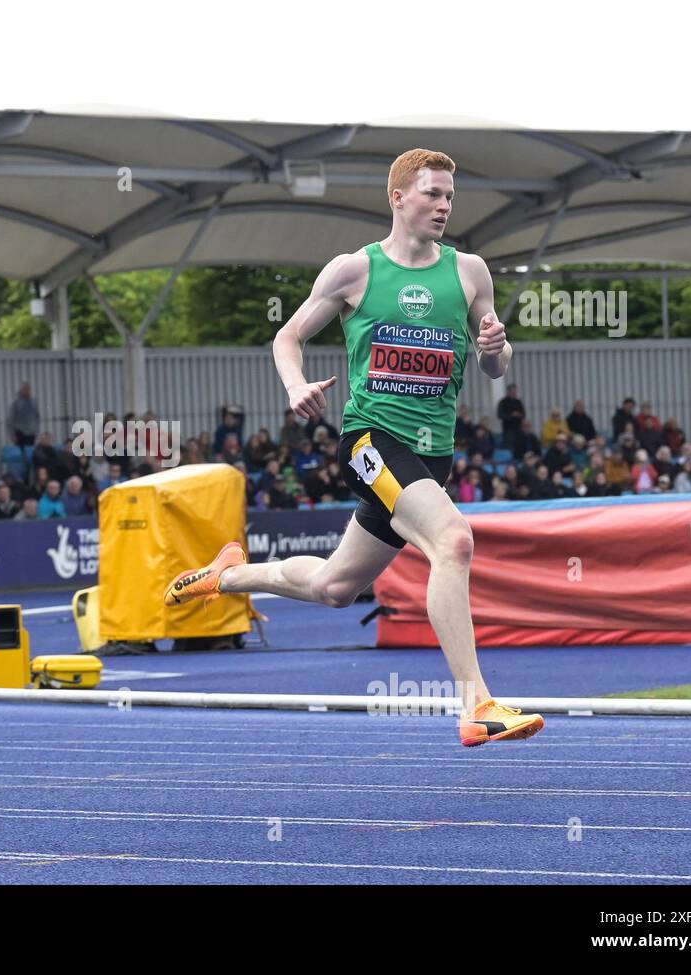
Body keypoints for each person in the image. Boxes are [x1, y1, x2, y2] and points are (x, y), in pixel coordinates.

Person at [162, 148, 543, 746]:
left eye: (449, 196)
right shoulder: (353, 271)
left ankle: (226, 579)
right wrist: (295, 387)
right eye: (431, 194)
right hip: (369, 441)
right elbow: (286, 336)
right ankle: (477, 705)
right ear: (397, 197)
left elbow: (495, 367)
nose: (444, 205)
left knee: (335, 588)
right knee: (454, 540)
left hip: (430, 456)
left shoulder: (470, 272)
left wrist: (495, 346)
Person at [6, 381, 40, 448]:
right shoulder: (16, 403)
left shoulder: (34, 402)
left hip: (31, 433)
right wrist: (12, 435)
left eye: (28, 389)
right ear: (21, 390)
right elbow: (10, 420)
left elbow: (37, 417)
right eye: (24, 389)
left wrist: (36, 431)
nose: (26, 391)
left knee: (30, 452)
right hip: (19, 433)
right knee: (21, 453)